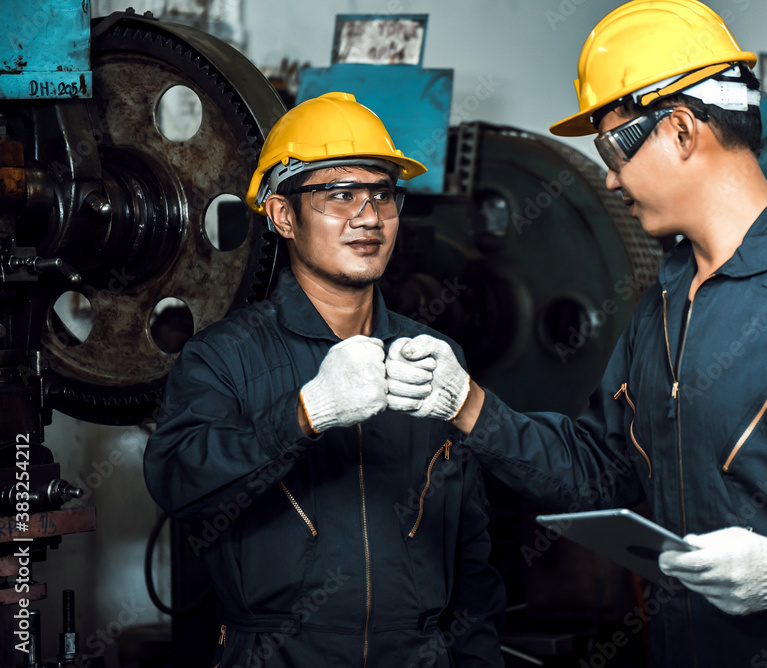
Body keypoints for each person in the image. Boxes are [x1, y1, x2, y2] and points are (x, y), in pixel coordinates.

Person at [383, 2, 767, 666]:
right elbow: (602, 472)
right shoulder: (662, 306)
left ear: (679, 129)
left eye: (613, 149)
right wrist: (468, 404)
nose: (611, 178)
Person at [143, 92, 505, 667]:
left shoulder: (432, 358)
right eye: (339, 195)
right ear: (284, 215)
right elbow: (180, 485)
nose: (368, 216)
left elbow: (471, 552)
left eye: (382, 194)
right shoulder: (222, 357)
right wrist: (306, 413)